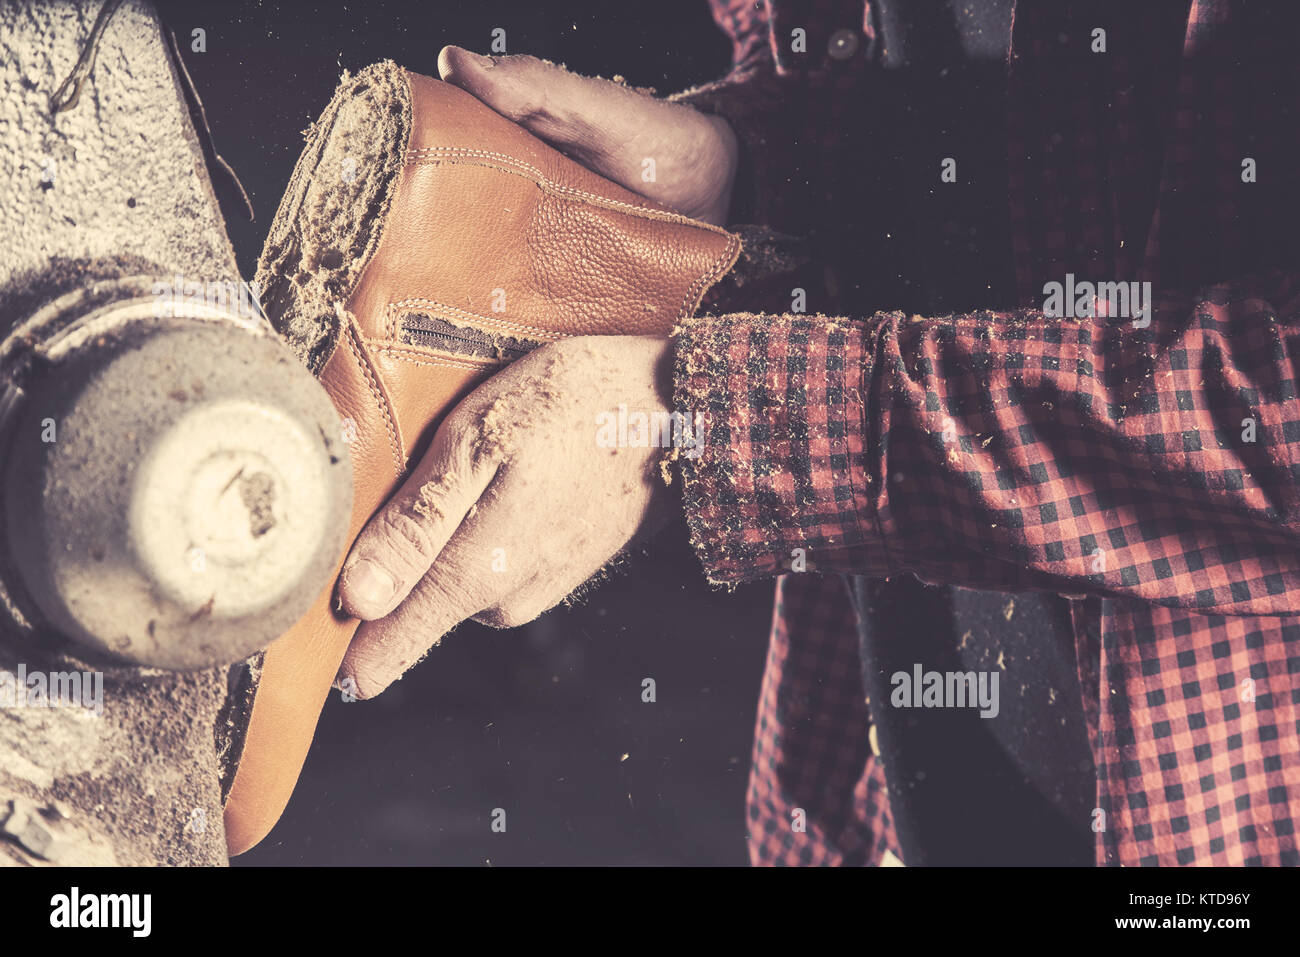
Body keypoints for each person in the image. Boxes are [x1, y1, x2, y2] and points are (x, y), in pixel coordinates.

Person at [332, 0, 1300, 866]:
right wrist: (745, 167)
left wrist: (714, 425)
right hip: (876, 791)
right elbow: (943, 94)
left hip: (1208, 812)